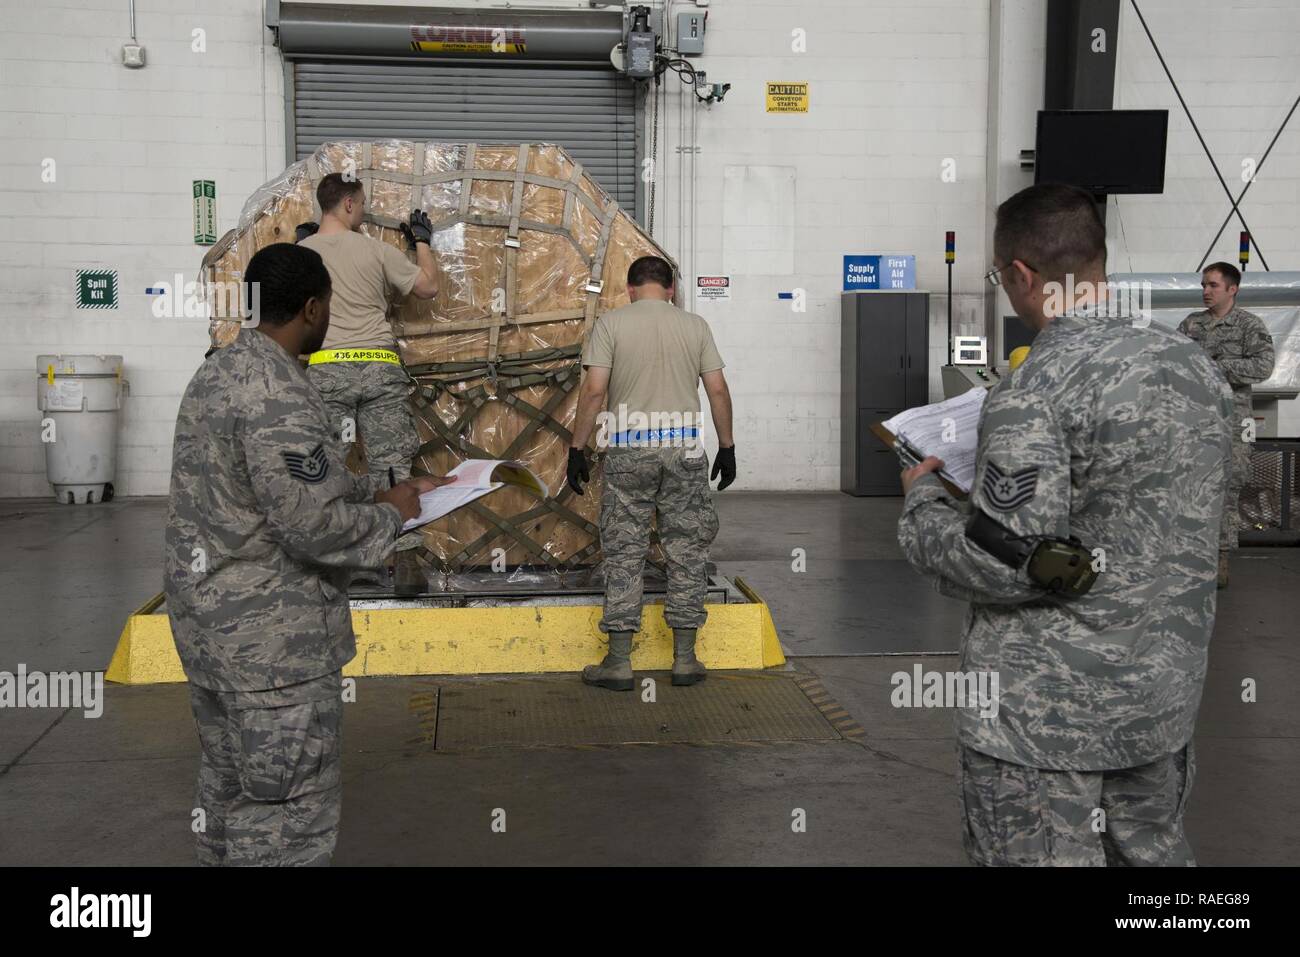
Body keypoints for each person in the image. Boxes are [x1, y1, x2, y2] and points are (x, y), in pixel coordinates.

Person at [898, 183, 1234, 865]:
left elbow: (1007, 564)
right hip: (1160, 697)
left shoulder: (1037, 387)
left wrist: (924, 503)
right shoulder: (1194, 367)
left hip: (1046, 719)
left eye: (1000, 277)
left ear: (1022, 275)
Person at [164, 242, 448, 866]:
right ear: (314, 308)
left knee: (230, 783)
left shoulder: (217, 372)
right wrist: (393, 517)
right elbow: (311, 525)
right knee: (288, 810)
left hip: (210, 633)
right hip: (272, 646)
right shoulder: (279, 391)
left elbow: (259, 489)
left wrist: (382, 492)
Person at [566, 256, 736, 691]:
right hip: (684, 450)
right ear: (672, 289)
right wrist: (728, 447)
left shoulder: (611, 325)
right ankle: (684, 660)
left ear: (630, 289)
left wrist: (577, 448)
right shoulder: (695, 326)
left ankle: (619, 664)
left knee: (625, 552)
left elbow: (594, 391)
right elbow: (716, 389)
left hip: (629, 448)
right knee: (686, 551)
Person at [297, 172, 440, 594]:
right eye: (361, 204)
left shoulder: (302, 255)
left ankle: (345, 564)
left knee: (330, 467)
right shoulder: (376, 250)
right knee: (392, 465)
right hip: (378, 364)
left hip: (327, 366)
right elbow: (428, 287)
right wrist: (422, 242)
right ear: (346, 205)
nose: (362, 211)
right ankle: (407, 561)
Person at [1178, 262, 1275, 587]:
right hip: (1194, 420)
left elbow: (1263, 366)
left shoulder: (1249, 325)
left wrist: (1215, 367)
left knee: (1229, 488)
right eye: (1204, 285)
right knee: (1191, 486)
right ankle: (1191, 556)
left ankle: (1220, 558)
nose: (1206, 291)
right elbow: (1177, 366)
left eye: (1213, 285)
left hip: (1233, 421)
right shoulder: (1190, 325)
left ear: (1232, 289)